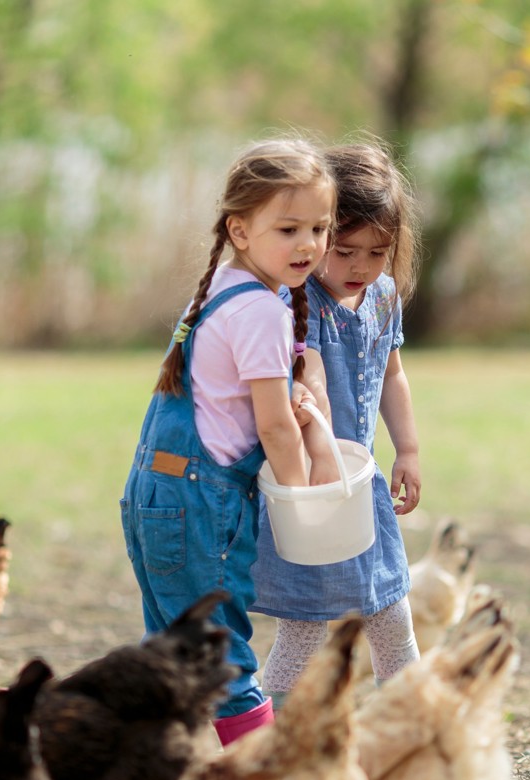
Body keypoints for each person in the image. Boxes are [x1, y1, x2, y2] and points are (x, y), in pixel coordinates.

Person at [120, 137, 339, 745]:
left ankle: (150, 775)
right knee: (223, 659)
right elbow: (271, 426)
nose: (308, 245)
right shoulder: (264, 311)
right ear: (240, 230)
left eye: (319, 228)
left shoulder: (219, 284)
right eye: (288, 228)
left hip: (152, 494)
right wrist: (302, 499)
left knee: (170, 654)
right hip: (200, 508)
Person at [251, 139, 424, 707]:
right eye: (345, 250)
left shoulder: (383, 298)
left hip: (363, 484)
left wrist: (408, 449)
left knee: (391, 614)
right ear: (321, 234)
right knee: (305, 628)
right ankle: (267, 734)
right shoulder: (295, 307)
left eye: (377, 253)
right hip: (314, 491)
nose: (360, 267)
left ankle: (412, 729)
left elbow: (392, 375)